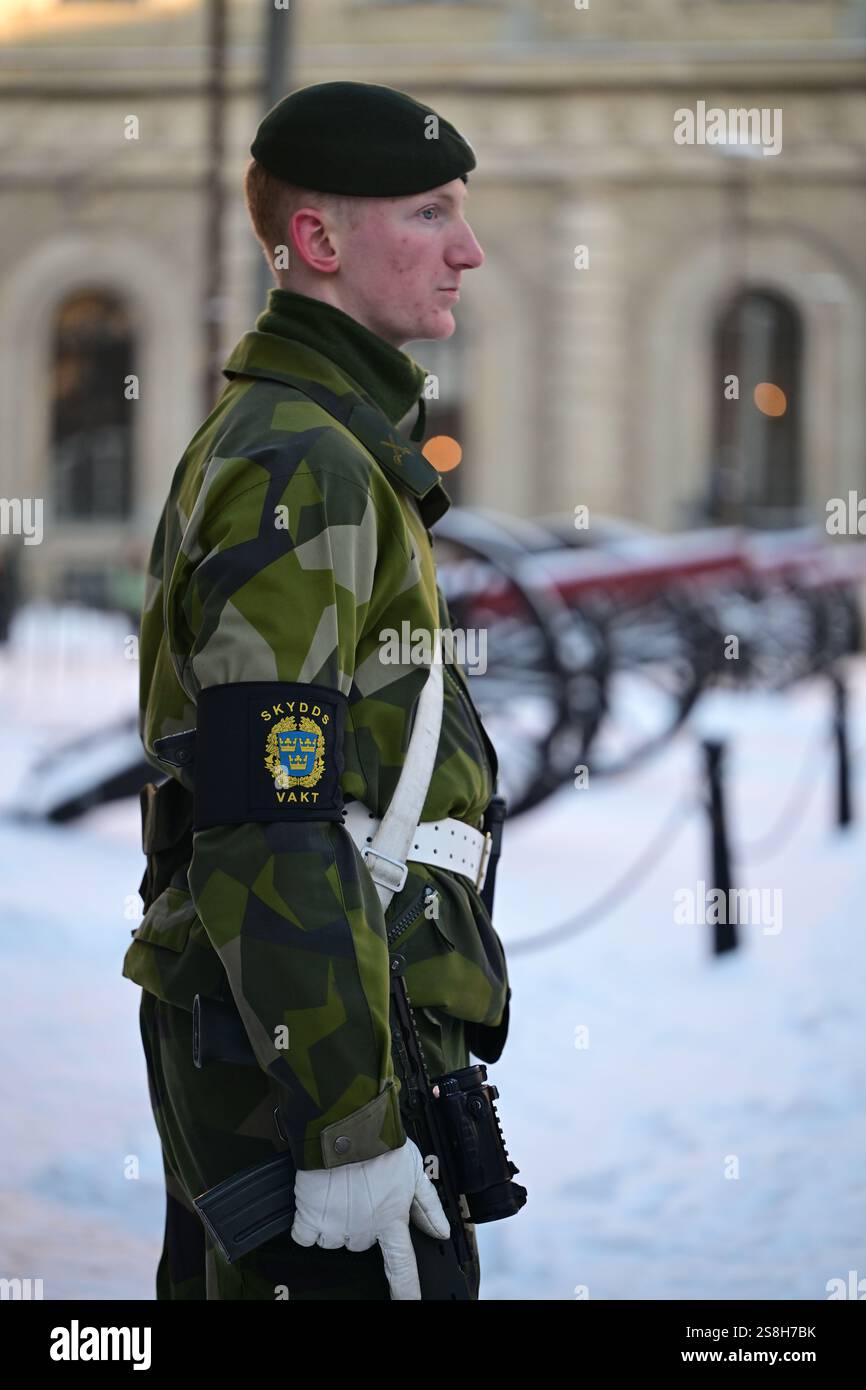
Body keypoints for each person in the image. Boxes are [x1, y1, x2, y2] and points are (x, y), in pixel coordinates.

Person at [123, 80, 511, 1301]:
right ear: (318, 240)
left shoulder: (319, 440)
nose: (467, 249)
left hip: (316, 1032)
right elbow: (271, 816)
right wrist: (348, 1127)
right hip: (310, 1066)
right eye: (430, 212)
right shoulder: (303, 459)